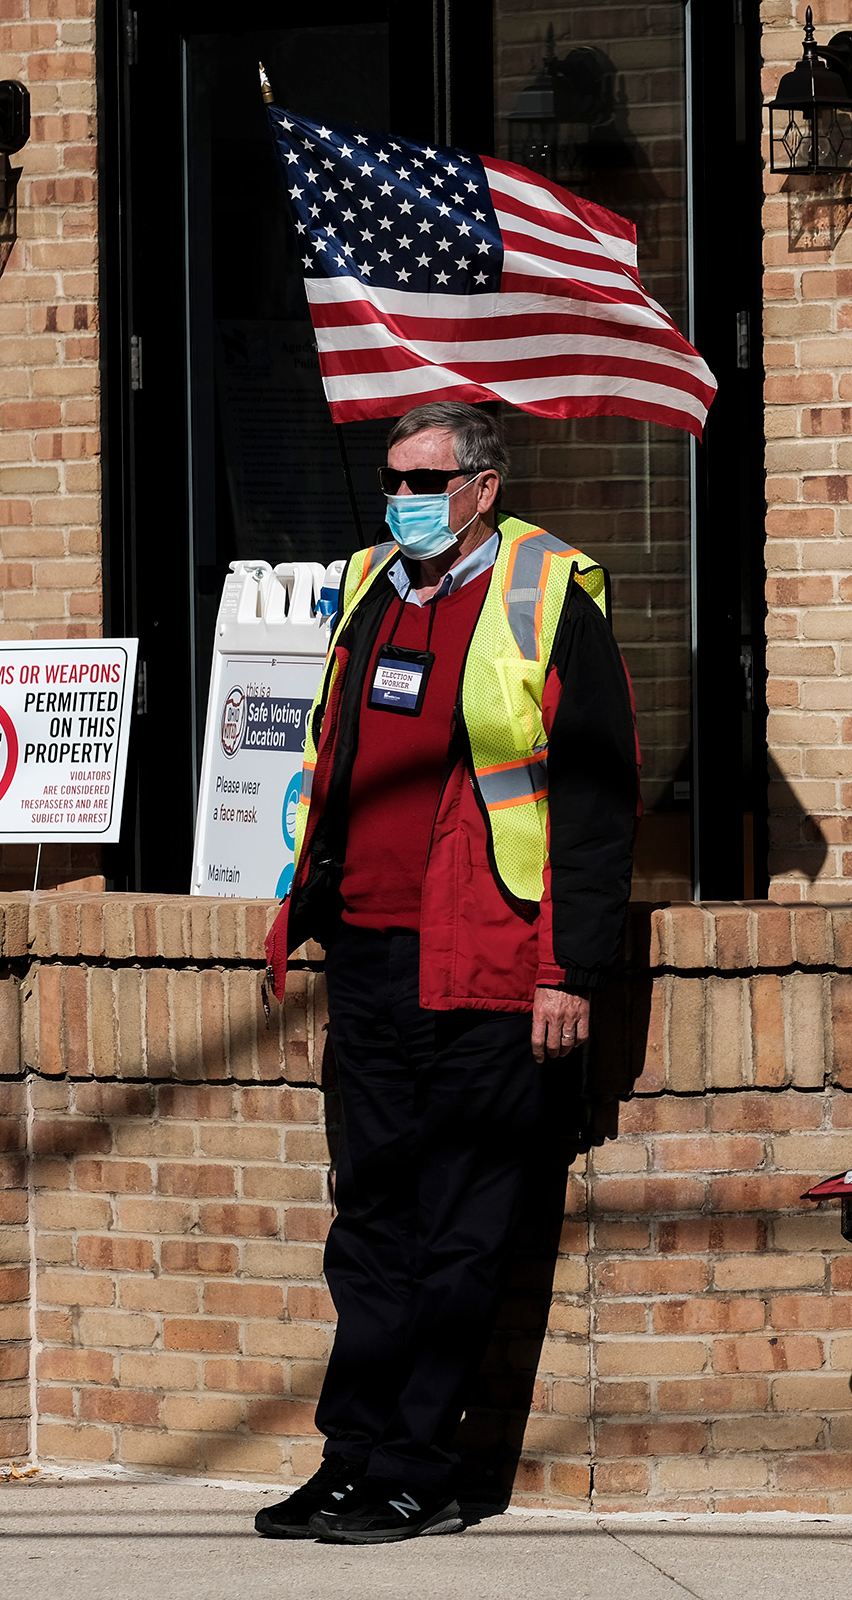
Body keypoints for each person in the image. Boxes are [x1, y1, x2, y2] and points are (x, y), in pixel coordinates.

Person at [257, 401, 638, 1544]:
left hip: (490, 963)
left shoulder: (547, 589)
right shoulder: (372, 580)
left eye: (428, 477)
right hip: (368, 954)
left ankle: (421, 1465)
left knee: (459, 1230)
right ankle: (350, 1456)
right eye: (393, 475)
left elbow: (596, 794)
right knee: (368, 1220)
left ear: (484, 485)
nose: (405, 495)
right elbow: (339, 750)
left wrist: (569, 967)